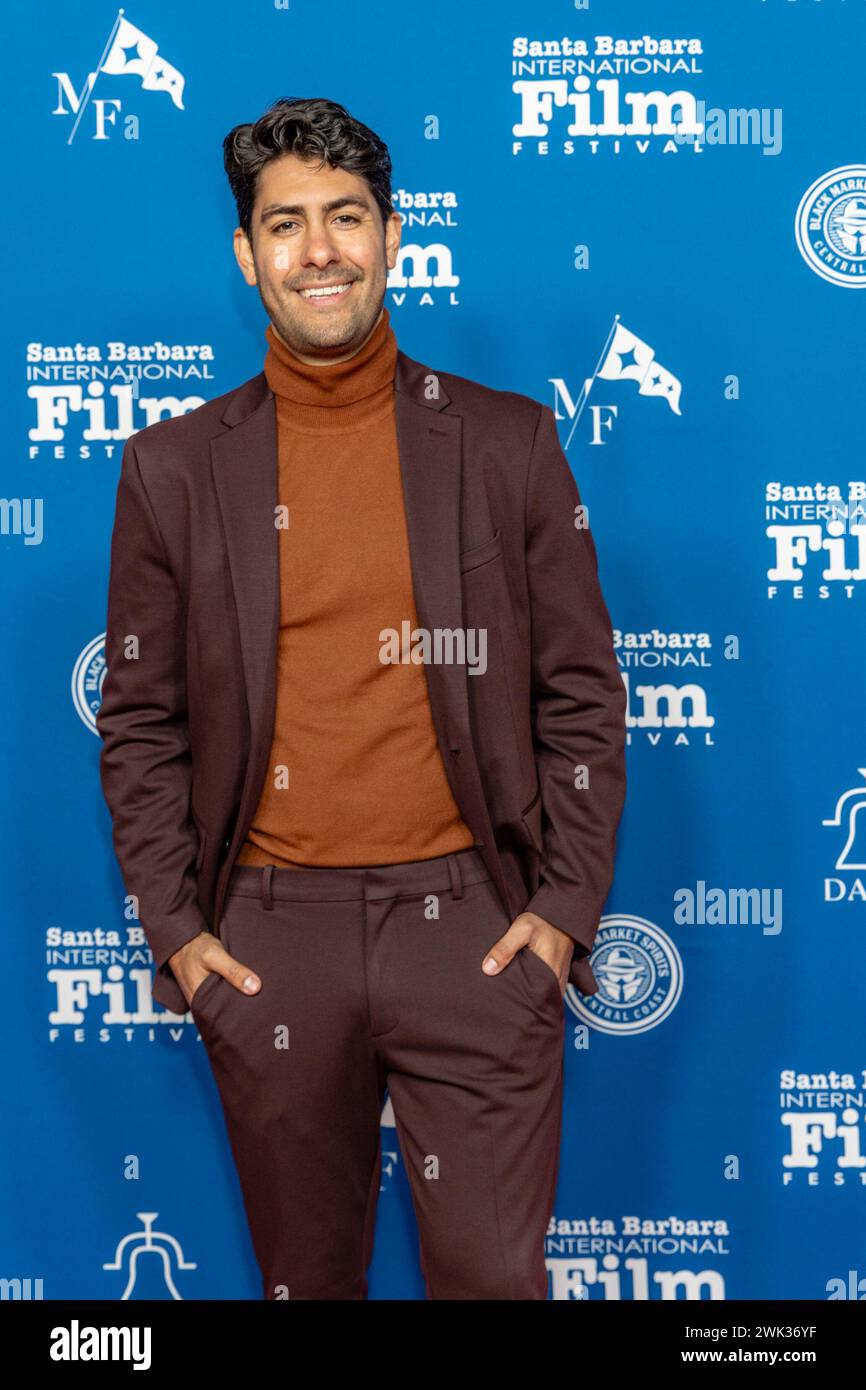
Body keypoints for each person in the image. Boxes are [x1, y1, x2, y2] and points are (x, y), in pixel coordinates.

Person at [96, 96, 627, 1301]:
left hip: (475, 932)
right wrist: (179, 935)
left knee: (495, 1279)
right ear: (247, 254)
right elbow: (138, 723)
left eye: (345, 218)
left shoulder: (505, 443)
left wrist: (560, 913)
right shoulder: (173, 469)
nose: (318, 250)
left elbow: (583, 695)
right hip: (270, 942)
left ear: (392, 236)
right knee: (306, 1282)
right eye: (286, 225)